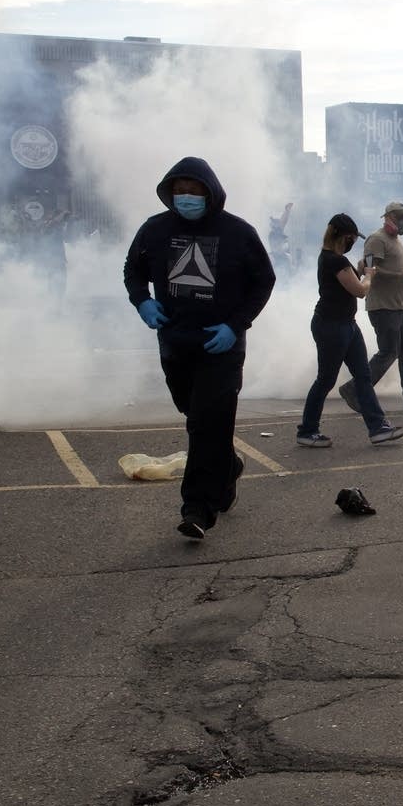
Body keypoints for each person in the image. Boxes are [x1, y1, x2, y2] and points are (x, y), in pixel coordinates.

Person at [122, 157, 276, 541]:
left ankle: (197, 509)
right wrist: (141, 300)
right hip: (175, 345)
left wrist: (235, 324)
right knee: (195, 417)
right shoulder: (154, 230)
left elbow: (263, 281)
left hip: (221, 347)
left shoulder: (238, 233)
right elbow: (133, 269)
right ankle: (227, 467)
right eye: (179, 191)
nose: (186, 197)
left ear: (210, 192)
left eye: (194, 191)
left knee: (208, 423)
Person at [297, 213, 403, 448]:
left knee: (363, 377)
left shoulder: (333, 259)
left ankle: (378, 428)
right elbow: (359, 290)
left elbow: (347, 283)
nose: (353, 242)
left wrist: (359, 270)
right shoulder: (334, 260)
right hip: (331, 326)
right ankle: (307, 430)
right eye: (350, 238)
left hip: (346, 324)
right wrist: (368, 276)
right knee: (325, 379)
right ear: (340, 236)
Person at [341, 200, 403, 413]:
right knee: (388, 352)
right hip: (383, 306)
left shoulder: (397, 243)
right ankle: (354, 389)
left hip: (401, 305)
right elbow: (369, 269)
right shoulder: (376, 240)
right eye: (400, 217)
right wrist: (401, 275)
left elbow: (394, 271)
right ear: (388, 217)